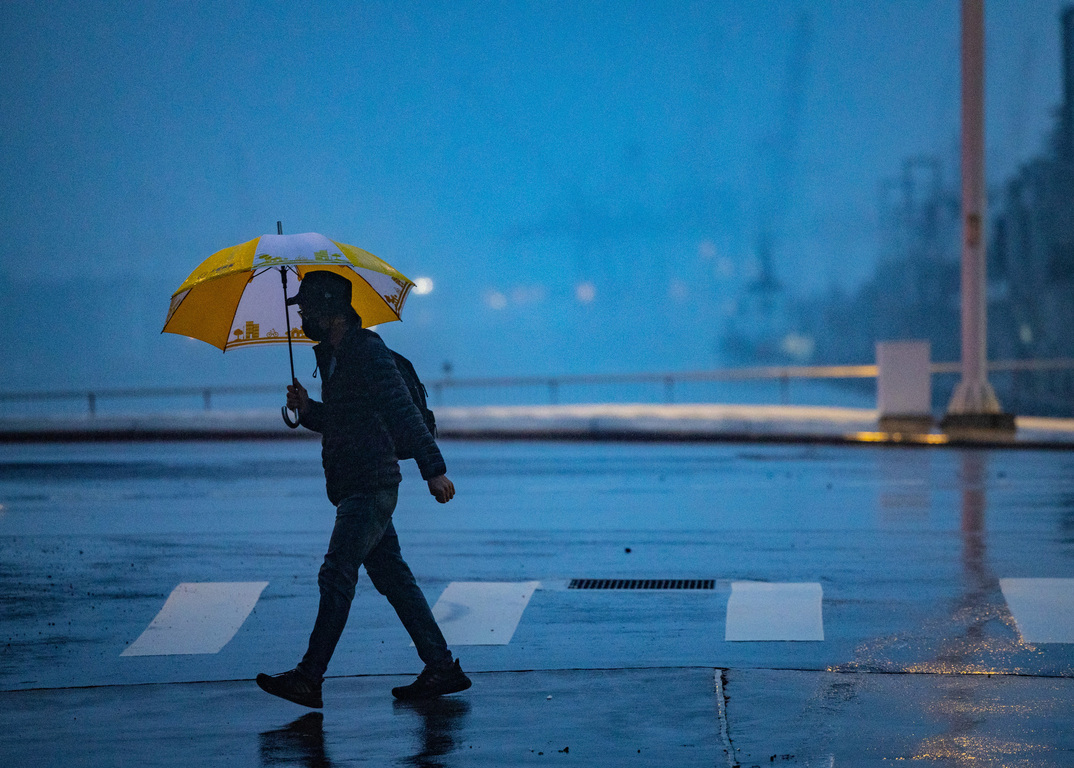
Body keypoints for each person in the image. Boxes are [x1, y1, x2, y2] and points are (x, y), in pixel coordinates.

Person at [256, 270, 470, 707]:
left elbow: (402, 412)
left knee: (336, 574)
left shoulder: (367, 351)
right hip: (356, 483)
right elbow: (345, 421)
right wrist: (308, 409)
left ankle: (309, 677)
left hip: (370, 485)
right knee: (394, 578)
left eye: (307, 310)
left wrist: (434, 470)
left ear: (332, 311)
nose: (302, 318)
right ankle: (441, 667)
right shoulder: (336, 356)